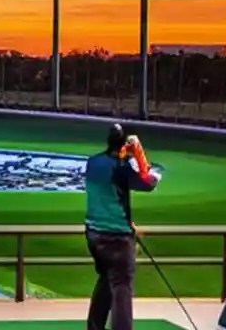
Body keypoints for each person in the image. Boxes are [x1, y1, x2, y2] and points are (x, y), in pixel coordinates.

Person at [84, 123, 160, 330]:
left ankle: (94, 327)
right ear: (124, 145)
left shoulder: (92, 162)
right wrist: (139, 153)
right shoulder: (121, 168)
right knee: (122, 287)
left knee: (106, 280)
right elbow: (149, 182)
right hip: (116, 237)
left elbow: (109, 195)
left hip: (93, 234)